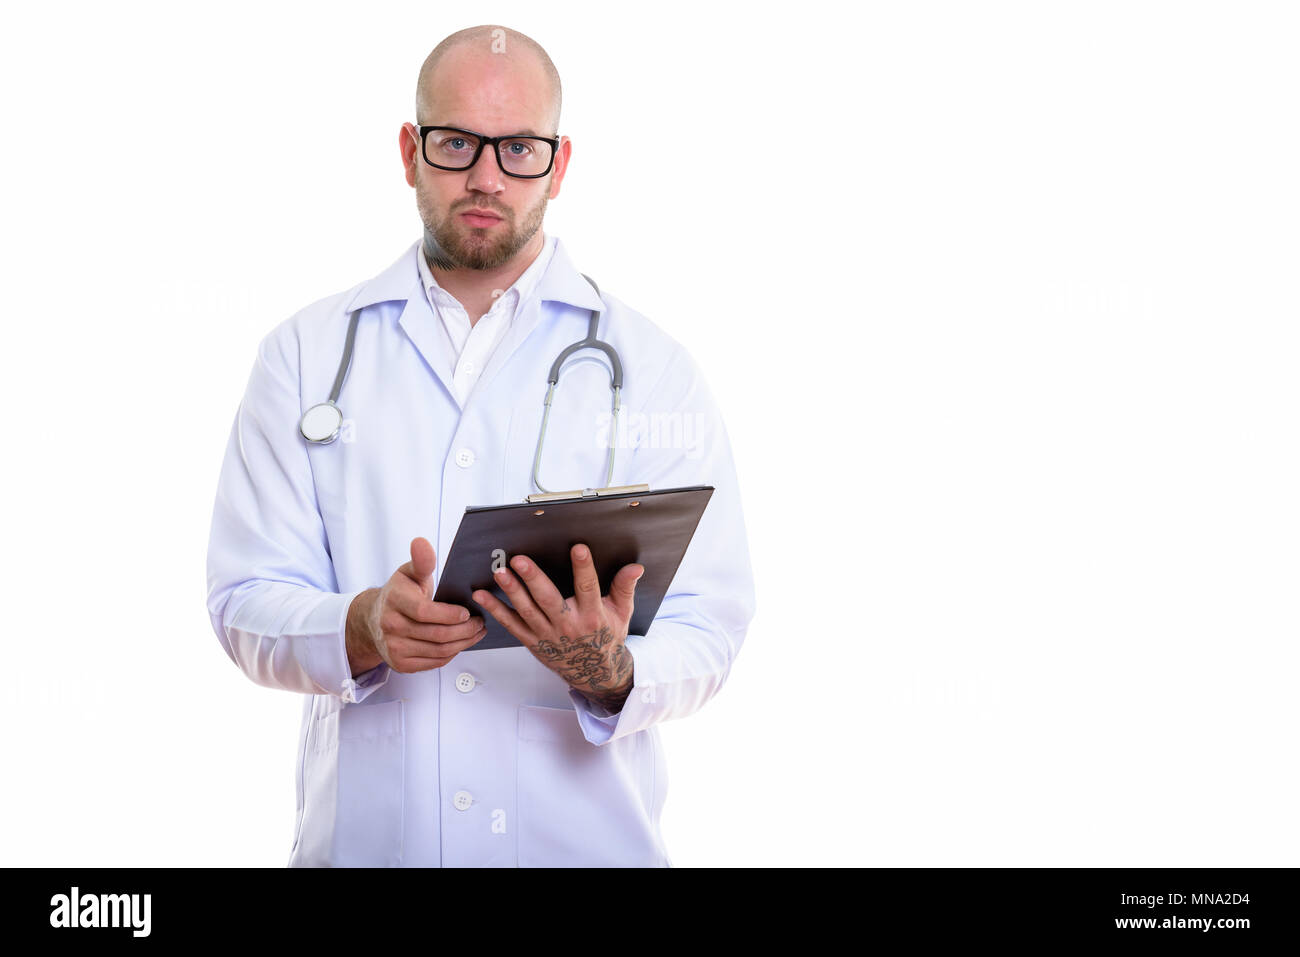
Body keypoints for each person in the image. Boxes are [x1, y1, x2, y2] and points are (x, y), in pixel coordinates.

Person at [205, 24, 756, 867]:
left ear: (560, 164)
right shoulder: (305, 356)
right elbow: (243, 598)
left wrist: (611, 669)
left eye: (520, 148)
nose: (487, 176)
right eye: (457, 142)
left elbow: (710, 624)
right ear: (410, 150)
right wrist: (357, 627)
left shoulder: (653, 370)